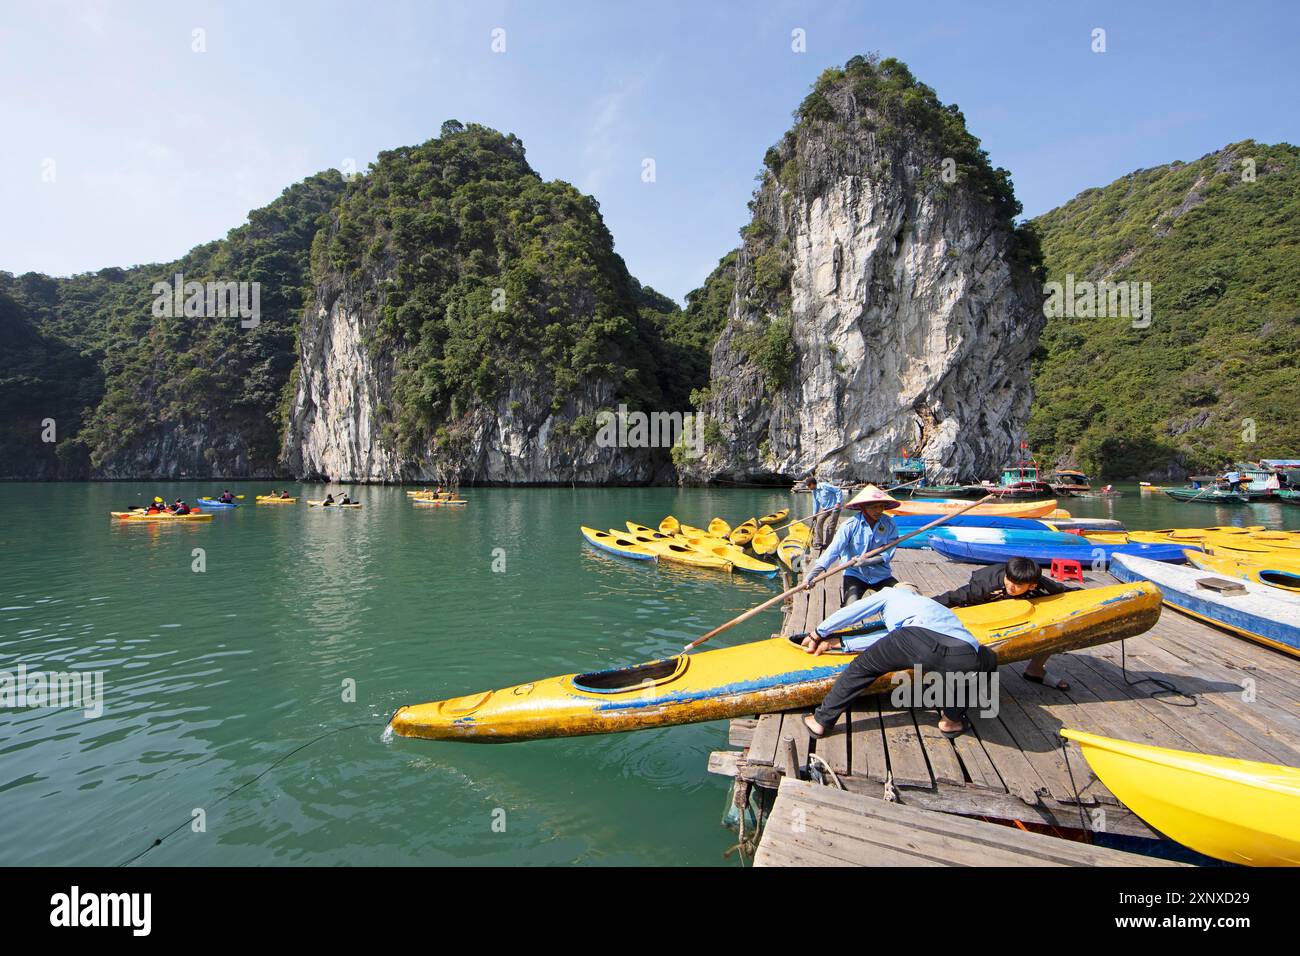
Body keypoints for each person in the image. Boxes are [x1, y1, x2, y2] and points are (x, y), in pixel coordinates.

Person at [799, 584, 995, 740]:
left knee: (861, 669)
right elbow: (889, 638)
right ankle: (951, 721)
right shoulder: (934, 606)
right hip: (964, 652)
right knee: (987, 661)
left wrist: (819, 633)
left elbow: (853, 612)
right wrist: (843, 642)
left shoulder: (892, 594)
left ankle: (820, 721)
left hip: (912, 638)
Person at [929, 557, 1076, 691]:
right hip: (981, 608)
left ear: (1032, 586)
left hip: (1020, 613)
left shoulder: (1041, 586)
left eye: (1018, 584)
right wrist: (924, 606)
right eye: (1009, 580)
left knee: (1051, 621)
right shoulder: (985, 586)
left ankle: (1035, 670)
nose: (1011, 586)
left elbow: (1067, 593)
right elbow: (954, 597)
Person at [805, 484, 902, 605]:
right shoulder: (850, 525)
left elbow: (889, 551)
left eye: (881, 506)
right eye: (874, 507)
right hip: (855, 574)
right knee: (850, 607)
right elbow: (833, 551)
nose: (878, 510)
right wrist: (812, 575)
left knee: (904, 596)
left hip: (881, 574)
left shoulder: (889, 523)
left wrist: (868, 561)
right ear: (863, 507)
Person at [804, 475, 844, 550]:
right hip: (825, 509)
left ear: (813, 483)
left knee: (830, 525)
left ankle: (828, 544)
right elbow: (816, 503)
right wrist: (814, 515)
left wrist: (838, 503)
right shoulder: (814, 491)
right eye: (808, 486)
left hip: (834, 508)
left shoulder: (824, 486)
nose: (809, 487)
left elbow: (838, 490)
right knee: (819, 522)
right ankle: (819, 542)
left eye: (809, 485)